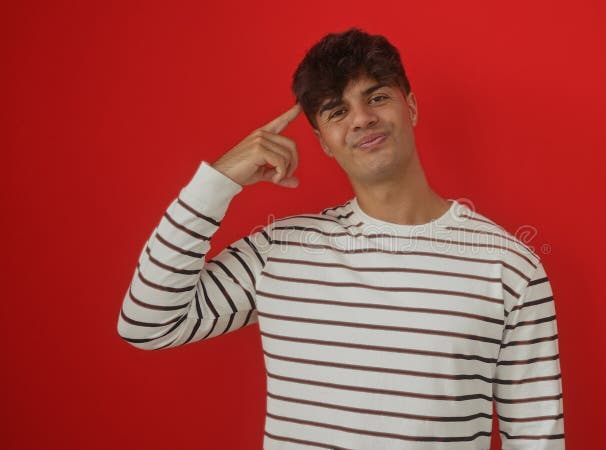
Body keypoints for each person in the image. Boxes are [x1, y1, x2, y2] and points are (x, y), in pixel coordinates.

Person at [117, 27, 566, 449]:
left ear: (410, 106)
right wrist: (217, 182)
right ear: (324, 141)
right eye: (337, 110)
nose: (362, 119)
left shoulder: (510, 268)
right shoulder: (278, 252)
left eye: (377, 97)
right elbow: (148, 324)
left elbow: (536, 439)